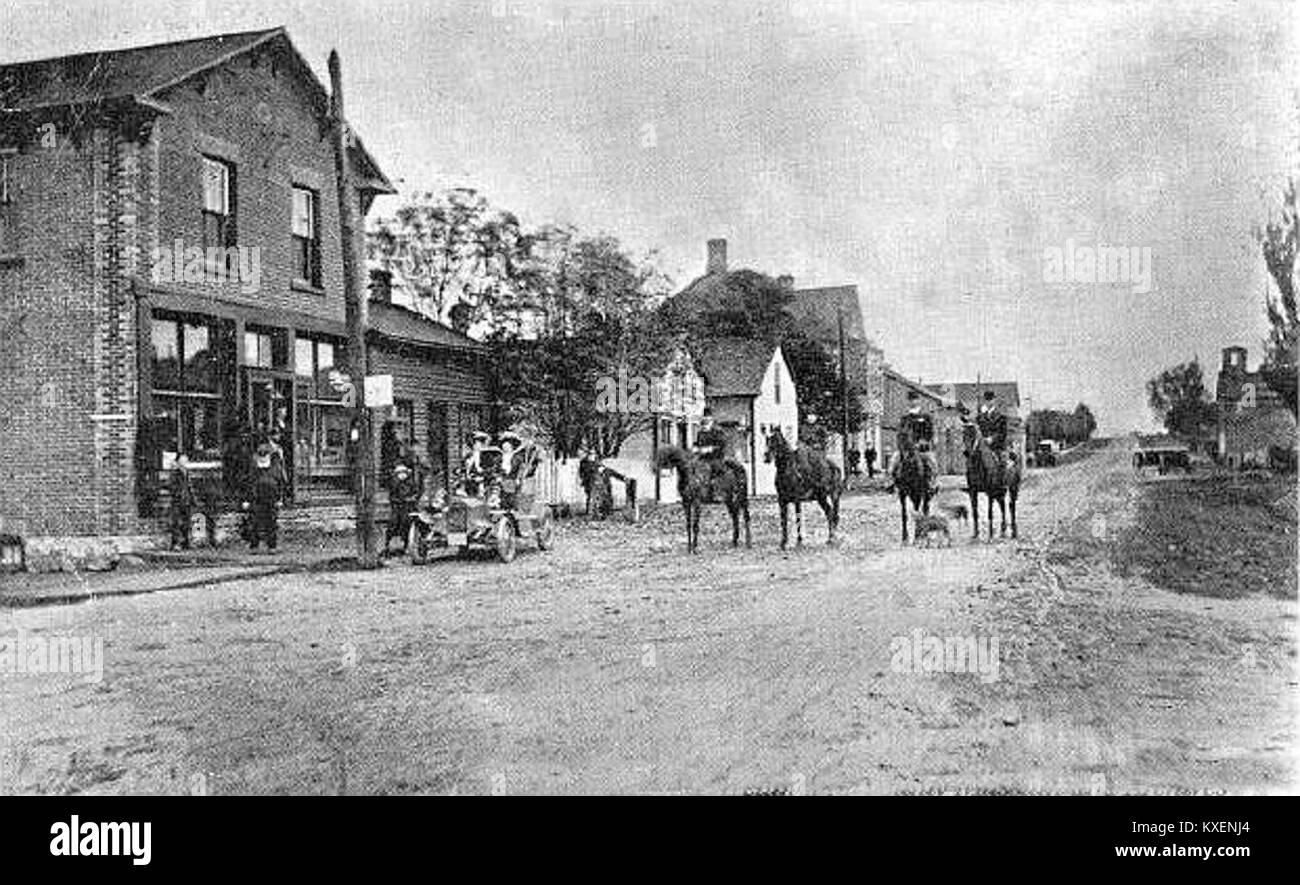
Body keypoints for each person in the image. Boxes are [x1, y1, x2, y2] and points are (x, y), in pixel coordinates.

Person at [889, 391, 939, 495]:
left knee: (932, 462)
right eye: (910, 400)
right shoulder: (904, 418)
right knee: (894, 460)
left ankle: (933, 483)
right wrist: (902, 445)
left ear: (919, 401)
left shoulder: (926, 416)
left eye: (915, 399)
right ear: (908, 402)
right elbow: (900, 433)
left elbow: (931, 432)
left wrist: (925, 441)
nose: (912, 402)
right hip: (907, 449)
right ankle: (892, 482)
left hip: (922, 449)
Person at [244, 443, 284, 552]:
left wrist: (280, 499)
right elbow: (248, 484)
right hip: (256, 499)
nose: (263, 458)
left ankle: (272, 546)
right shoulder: (253, 468)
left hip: (271, 499)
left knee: (271, 523)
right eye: (261, 455)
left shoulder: (275, 468)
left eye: (265, 455)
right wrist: (246, 500)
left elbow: (280, 484)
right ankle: (254, 546)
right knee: (254, 523)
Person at [385, 459, 423, 555]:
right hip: (398, 508)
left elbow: (416, 493)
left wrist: (413, 498)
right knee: (393, 524)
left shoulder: (411, 483)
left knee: (407, 524)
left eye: (404, 473)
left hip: (409, 508)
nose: (402, 475)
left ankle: (407, 544)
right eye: (399, 473)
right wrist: (399, 501)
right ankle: (387, 544)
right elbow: (392, 497)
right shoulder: (394, 484)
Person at [168, 455, 197, 550]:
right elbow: (171, 486)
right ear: (178, 462)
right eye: (183, 460)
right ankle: (176, 543)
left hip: (187, 501)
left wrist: (193, 499)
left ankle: (186, 541)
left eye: (186, 460)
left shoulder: (187, 473)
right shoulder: (175, 473)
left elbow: (190, 487)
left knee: (187, 522)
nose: (185, 462)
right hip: (178, 501)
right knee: (176, 522)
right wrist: (177, 495)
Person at [693, 409, 730, 480]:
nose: (705, 423)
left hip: (716, 457)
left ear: (711, 421)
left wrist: (710, 449)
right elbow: (698, 443)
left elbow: (722, 445)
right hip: (703, 459)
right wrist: (695, 448)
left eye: (707, 421)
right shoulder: (700, 433)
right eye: (704, 421)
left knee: (716, 469)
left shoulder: (718, 431)